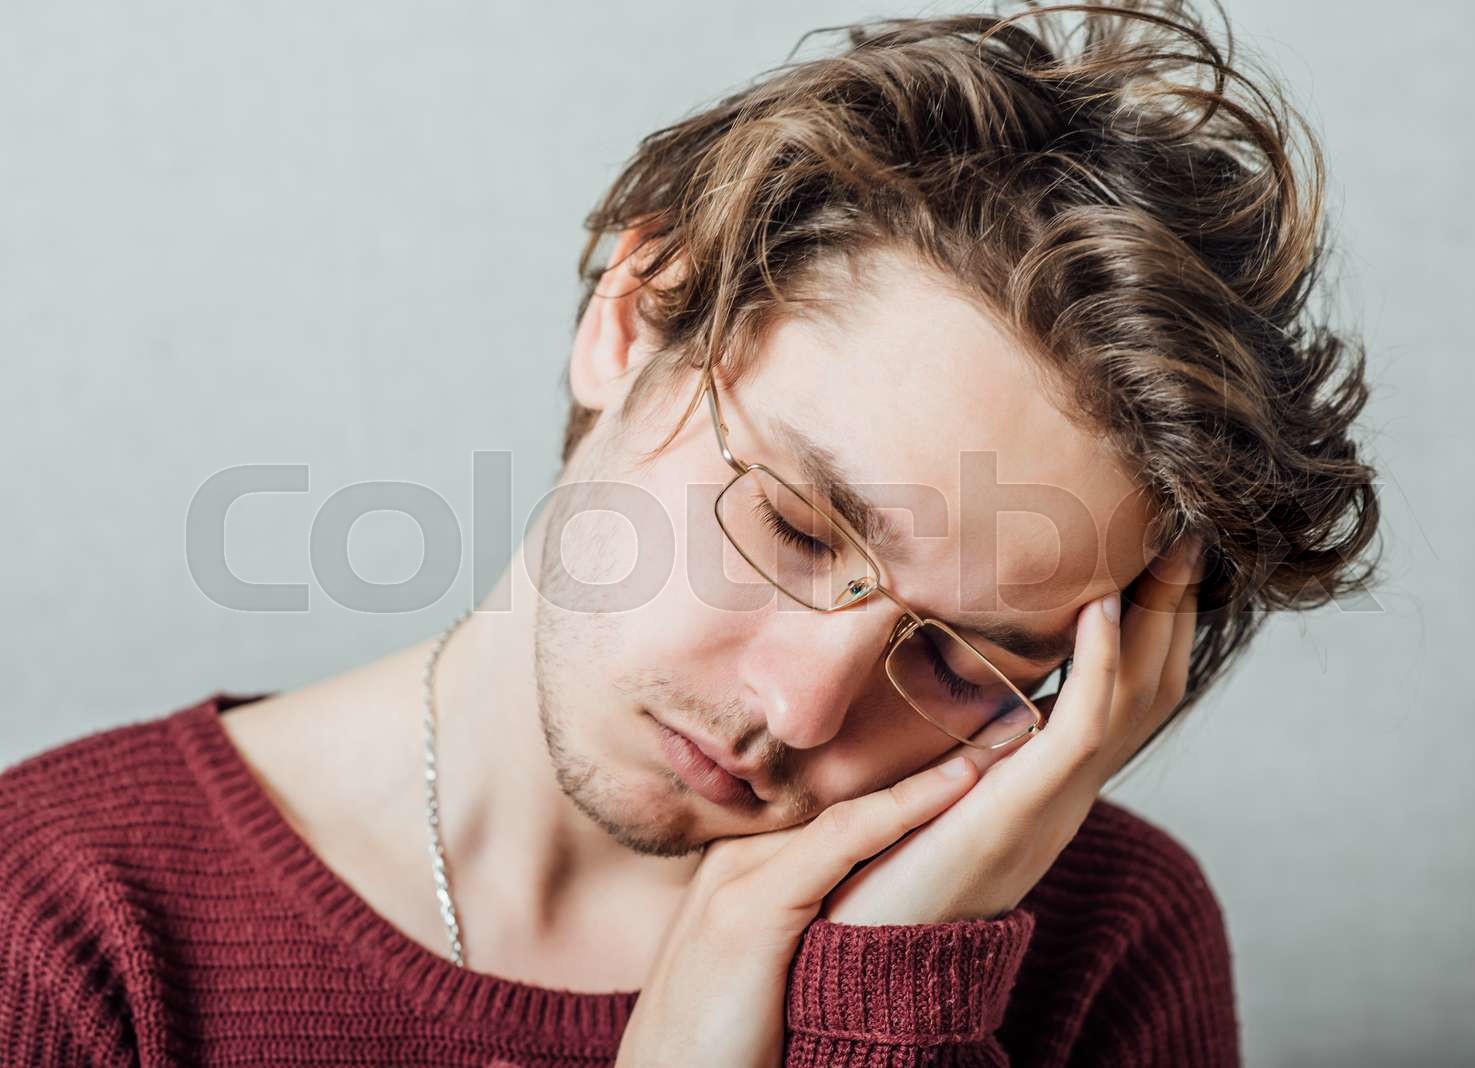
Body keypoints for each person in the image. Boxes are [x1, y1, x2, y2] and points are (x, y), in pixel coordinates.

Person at [0, 2, 1380, 1064]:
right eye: (788, 523)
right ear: (631, 313)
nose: (800, 705)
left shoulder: (1100, 943)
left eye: (963, 663)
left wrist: (889, 998)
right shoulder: (69, 920)